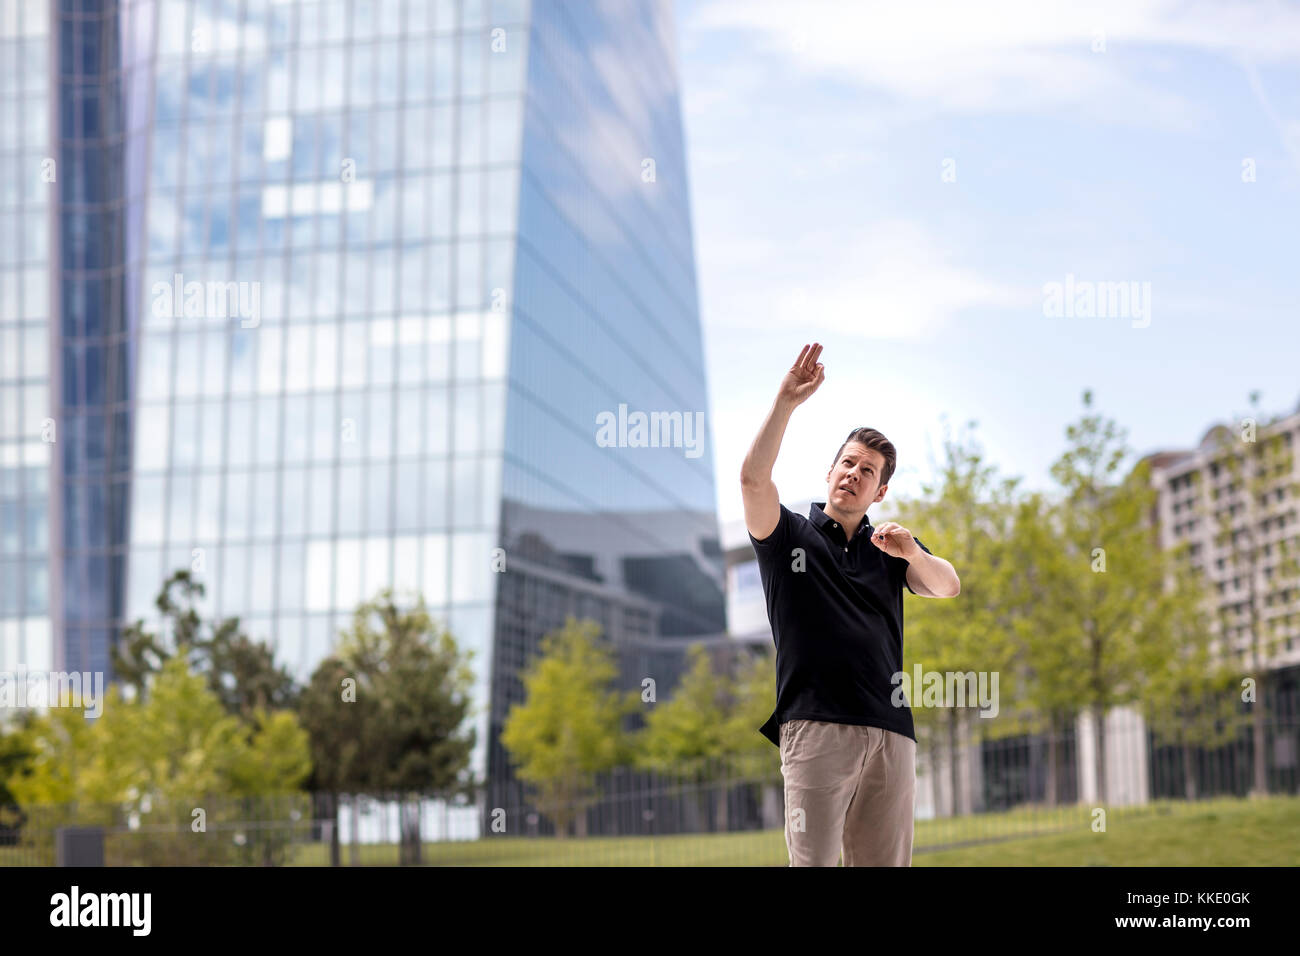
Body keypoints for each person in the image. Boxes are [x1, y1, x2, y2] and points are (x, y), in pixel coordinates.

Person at [740, 342, 961, 866]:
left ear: (879, 491)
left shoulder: (889, 547)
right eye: (848, 463)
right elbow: (752, 481)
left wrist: (911, 552)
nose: (854, 473)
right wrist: (786, 403)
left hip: (891, 735)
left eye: (868, 471)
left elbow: (948, 585)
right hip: (815, 728)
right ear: (830, 471)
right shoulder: (786, 536)